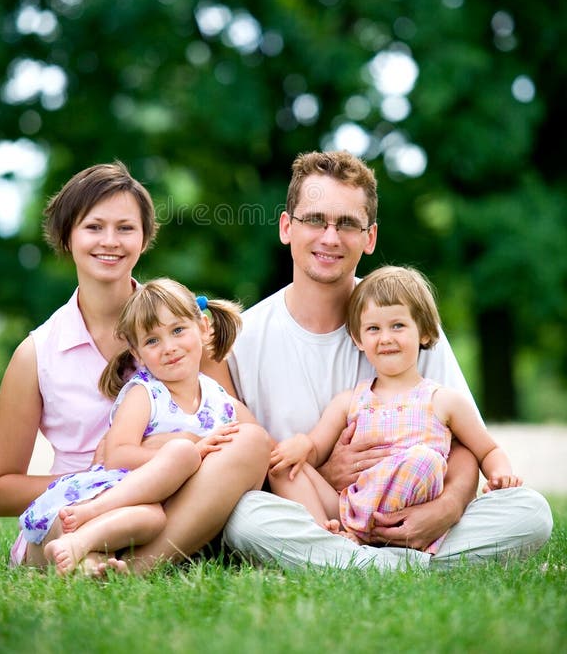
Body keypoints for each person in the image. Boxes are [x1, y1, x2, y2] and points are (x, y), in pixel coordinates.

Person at [202, 150, 552, 571]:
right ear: (286, 227)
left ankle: (353, 566)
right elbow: (242, 467)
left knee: (531, 511)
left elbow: (465, 442)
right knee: (246, 518)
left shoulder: (405, 319)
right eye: (315, 219)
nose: (330, 238)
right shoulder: (243, 339)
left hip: (418, 508)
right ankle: (405, 568)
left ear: (369, 237)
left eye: (347, 223)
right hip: (320, 516)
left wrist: (449, 507)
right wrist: (328, 473)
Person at [0, 162, 270, 572]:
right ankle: (95, 555)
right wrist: (102, 477)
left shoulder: (179, 333)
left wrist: (161, 456)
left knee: (252, 441)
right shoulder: (37, 354)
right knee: (85, 522)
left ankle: (133, 568)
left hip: (176, 500)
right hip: (83, 508)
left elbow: (226, 430)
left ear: (145, 238)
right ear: (67, 236)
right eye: (94, 227)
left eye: (125, 228)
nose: (110, 242)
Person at [269, 266, 522, 552]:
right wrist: (301, 446)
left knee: (426, 460)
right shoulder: (350, 401)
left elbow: (487, 450)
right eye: (373, 329)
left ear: (425, 333)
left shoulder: (442, 400)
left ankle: (361, 544)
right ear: (358, 339)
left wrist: (501, 473)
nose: (386, 338)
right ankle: (328, 537)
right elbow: (315, 447)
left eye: (398, 326)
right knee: (283, 468)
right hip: (350, 507)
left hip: (414, 516)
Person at [19, 278, 261, 575]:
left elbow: (262, 449)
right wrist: (190, 453)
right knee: (169, 478)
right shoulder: (145, 393)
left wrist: (307, 447)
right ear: (137, 353)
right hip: (115, 497)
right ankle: (80, 539)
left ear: (203, 327)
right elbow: (117, 455)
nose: (169, 347)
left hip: (155, 512)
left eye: (178, 330)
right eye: (152, 341)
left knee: (153, 517)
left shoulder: (221, 402)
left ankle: (92, 563)